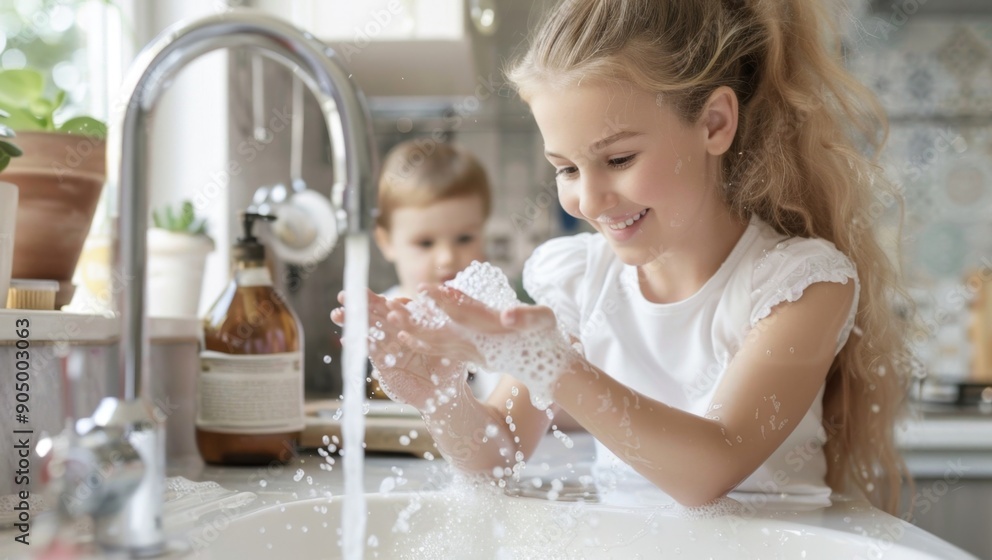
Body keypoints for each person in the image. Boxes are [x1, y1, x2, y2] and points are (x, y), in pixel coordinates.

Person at [334, 0, 911, 513]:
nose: (589, 200)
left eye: (618, 160)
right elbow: (499, 455)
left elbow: (709, 469)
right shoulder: (581, 281)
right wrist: (438, 397)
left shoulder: (801, 284)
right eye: (565, 168)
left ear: (714, 123)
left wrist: (551, 365)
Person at [368, 139, 500, 398]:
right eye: (425, 243)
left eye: (465, 238)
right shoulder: (382, 323)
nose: (447, 258)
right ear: (387, 242)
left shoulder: (493, 318)